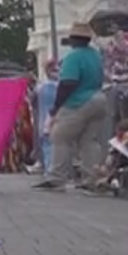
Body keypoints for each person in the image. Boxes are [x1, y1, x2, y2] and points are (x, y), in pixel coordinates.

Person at [39, 22, 111, 191]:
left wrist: (57, 106)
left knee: (60, 137)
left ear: (73, 39)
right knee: (89, 140)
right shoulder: (95, 55)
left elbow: (68, 82)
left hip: (78, 101)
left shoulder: (73, 57)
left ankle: (57, 178)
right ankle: (91, 179)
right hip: (99, 98)